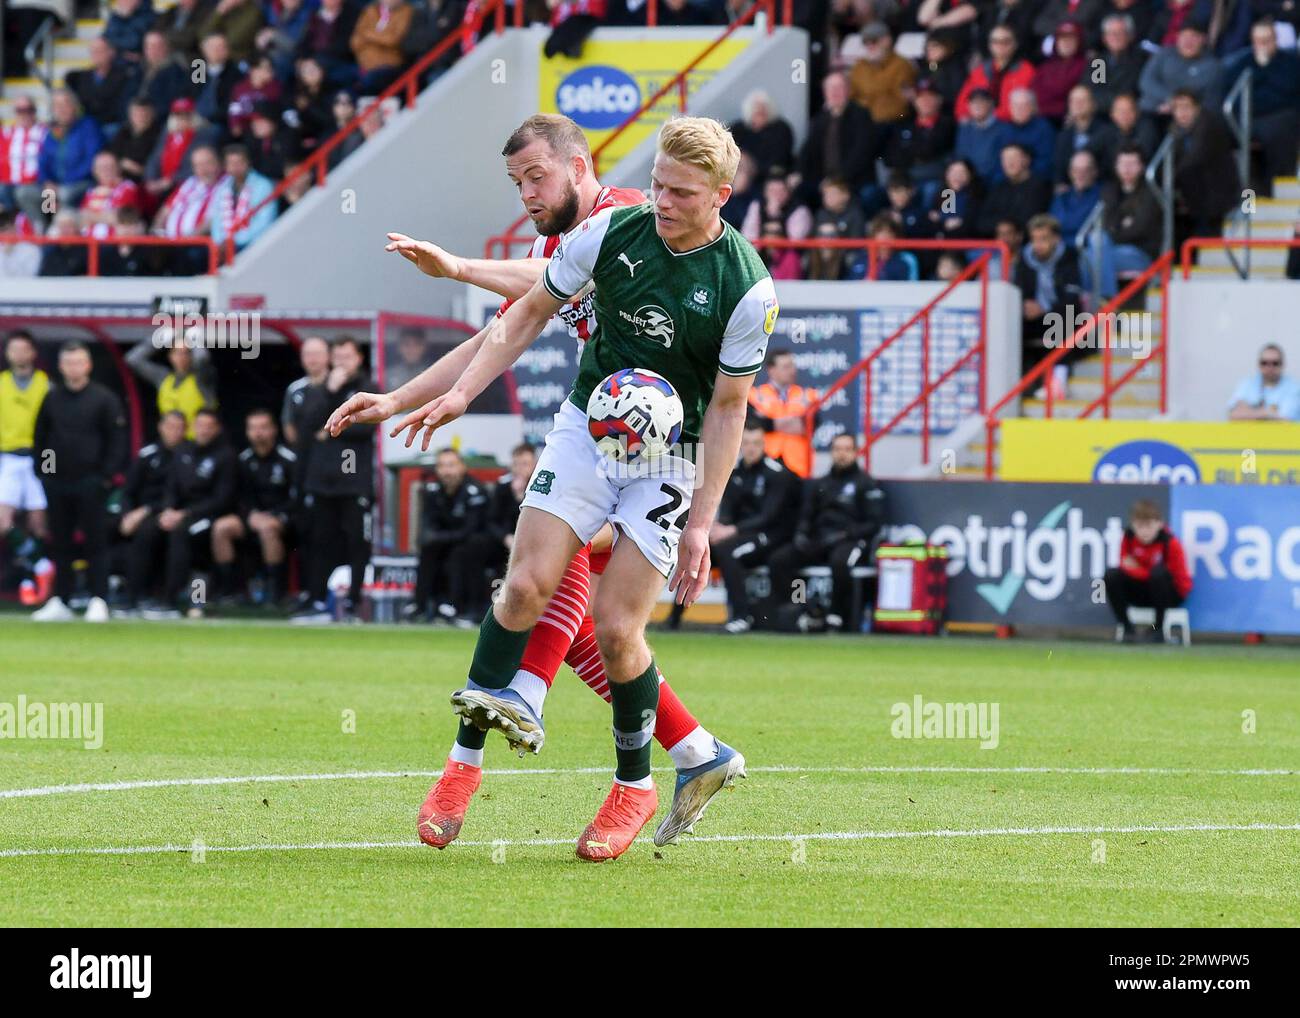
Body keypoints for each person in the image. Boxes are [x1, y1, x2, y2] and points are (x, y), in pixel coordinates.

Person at [327, 115, 768, 860]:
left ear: (578, 167)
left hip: (670, 455)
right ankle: (486, 751)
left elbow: (729, 405)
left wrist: (702, 522)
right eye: (517, 183)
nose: (527, 195)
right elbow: (512, 321)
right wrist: (410, 398)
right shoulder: (600, 235)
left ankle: (637, 766)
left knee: (614, 628)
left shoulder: (692, 258)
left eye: (536, 178)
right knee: (528, 583)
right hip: (593, 428)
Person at [31, 342, 127, 623]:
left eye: (78, 362)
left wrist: (104, 476)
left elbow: (116, 440)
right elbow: (42, 438)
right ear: (61, 367)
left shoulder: (104, 399)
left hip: (91, 482)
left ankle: (99, 600)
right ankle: (62, 599)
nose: (73, 368)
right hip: (58, 483)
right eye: (68, 363)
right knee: (60, 543)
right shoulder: (52, 398)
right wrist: (46, 472)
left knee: (95, 542)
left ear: (88, 365)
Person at [764, 432, 885, 632]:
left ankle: (836, 615)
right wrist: (801, 533)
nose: (842, 454)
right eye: (837, 449)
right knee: (780, 560)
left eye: (847, 449)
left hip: (851, 540)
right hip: (821, 539)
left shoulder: (866, 483)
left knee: (841, 562)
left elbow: (874, 523)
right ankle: (805, 607)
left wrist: (847, 534)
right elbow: (807, 515)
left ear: (856, 453)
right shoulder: (821, 484)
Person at [291, 336, 376, 623]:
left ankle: (353, 603)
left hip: (354, 483)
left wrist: (326, 431)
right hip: (321, 482)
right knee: (320, 541)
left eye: (347, 358)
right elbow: (305, 427)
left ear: (358, 358)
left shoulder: (369, 387)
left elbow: (364, 428)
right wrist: (329, 390)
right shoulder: (322, 388)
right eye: (337, 358)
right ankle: (317, 600)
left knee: (357, 542)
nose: (341, 364)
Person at [132, 406, 236, 618]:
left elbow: (222, 499)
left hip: (209, 516)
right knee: (147, 530)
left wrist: (184, 513)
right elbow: (171, 487)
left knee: (182, 533)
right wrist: (168, 509)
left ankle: (171, 601)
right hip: (179, 513)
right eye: (200, 425)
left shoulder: (226, 456)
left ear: (217, 429)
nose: (203, 431)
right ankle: (137, 597)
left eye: (209, 426)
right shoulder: (183, 451)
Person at [710, 423, 801, 634]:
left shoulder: (778, 474)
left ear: (764, 445)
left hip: (770, 536)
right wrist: (719, 527)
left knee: (728, 551)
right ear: (740, 445)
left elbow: (768, 516)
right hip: (740, 535)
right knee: (699, 546)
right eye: (747, 443)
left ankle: (742, 616)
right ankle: (674, 618)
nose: (751, 448)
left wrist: (731, 530)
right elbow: (727, 510)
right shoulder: (734, 474)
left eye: (756, 443)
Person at [211, 408, 298, 605]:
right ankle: (230, 591)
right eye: (253, 428)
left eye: (263, 427)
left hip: (281, 519)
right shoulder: (242, 460)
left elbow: (297, 499)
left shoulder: (288, 459)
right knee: (221, 528)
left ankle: (274, 593)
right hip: (251, 517)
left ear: (274, 430)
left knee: (267, 529)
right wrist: (250, 515)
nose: (258, 433)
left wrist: (274, 515)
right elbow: (235, 496)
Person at [116, 410, 187, 614]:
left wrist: (148, 511)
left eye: (178, 428)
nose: (173, 432)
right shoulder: (147, 454)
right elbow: (128, 491)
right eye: (169, 426)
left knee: (149, 532)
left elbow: (178, 493)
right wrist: (127, 514)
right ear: (160, 427)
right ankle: (105, 594)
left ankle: (167, 600)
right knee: (104, 526)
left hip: (172, 513)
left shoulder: (188, 455)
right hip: (142, 512)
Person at [410, 447, 490, 624]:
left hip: (474, 544)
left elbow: (471, 530)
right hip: (447, 541)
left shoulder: (475, 490)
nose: (447, 471)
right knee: (428, 548)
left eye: (451, 465)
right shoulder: (431, 491)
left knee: (460, 551)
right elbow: (428, 525)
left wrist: (439, 538)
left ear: (462, 467)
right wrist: (433, 538)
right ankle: (419, 606)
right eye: (442, 466)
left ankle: (455, 606)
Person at [1221, 19, 1300, 197]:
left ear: (1275, 40)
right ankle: (1249, 198)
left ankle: (1278, 188)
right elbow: (1233, 95)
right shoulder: (1243, 63)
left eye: (1267, 40)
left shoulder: (1291, 63)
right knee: (1221, 134)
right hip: (1248, 119)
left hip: (1280, 119)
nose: (1262, 45)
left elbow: (1284, 94)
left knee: (1277, 131)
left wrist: (1261, 74)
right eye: (1258, 40)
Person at [1105, 498, 1192, 642]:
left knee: (1159, 574)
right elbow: (1124, 567)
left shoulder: (1170, 543)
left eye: (1149, 526)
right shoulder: (1128, 538)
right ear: (1133, 525)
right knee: (1111, 575)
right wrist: (1147, 574)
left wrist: (1141, 570)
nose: (1144, 531)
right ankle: (1128, 629)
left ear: (1159, 524)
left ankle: (1156, 630)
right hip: (1141, 591)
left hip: (1168, 596)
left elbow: (1181, 582)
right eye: (1140, 526)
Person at [1015, 213, 1085, 388]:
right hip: (1032, 317)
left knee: (1064, 321)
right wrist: (1023, 305)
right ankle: (1020, 384)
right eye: (1034, 239)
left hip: (1060, 315)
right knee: (1008, 324)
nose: (1038, 245)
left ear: (1056, 239)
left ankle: (1058, 382)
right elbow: (1017, 291)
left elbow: (1072, 299)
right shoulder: (1024, 258)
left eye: (1043, 239)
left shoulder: (1069, 257)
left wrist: (1044, 309)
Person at [1169, 88, 1240, 248]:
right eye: (1177, 108)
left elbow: (1195, 159)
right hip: (1198, 196)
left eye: (1186, 107)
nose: (1181, 112)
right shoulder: (1175, 130)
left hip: (1218, 195)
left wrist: (1171, 178)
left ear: (1197, 108)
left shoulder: (1208, 125)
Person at [0, 331, 50, 550]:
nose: (19, 355)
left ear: (33, 353)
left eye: (24, 350)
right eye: (14, 350)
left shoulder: (46, 385)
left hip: (39, 457)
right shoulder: (1, 383)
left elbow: (55, 430)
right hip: (8, 457)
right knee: (3, 522)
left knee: (39, 523)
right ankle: (39, 566)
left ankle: (36, 579)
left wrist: (51, 470)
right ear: (7, 354)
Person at [1093, 144, 1161, 298]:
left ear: (1142, 167)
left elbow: (1140, 230)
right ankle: (1106, 300)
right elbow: (1108, 224)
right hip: (1112, 250)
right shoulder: (1110, 190)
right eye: (1123, 164)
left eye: (1132, 164)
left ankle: (1101, 301)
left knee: (1094, 255)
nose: (1127, 169)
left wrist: (1116, 230)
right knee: (1095, 246)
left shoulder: (1151, 193)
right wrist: (1123, 225)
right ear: (1116, 167)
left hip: (1142, 254)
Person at [126, 328, 217, 437]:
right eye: (177, 353)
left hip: (197, 443)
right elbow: (132, 359)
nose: (182, 357)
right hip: (171, 442)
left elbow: (202, 359)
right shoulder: (163, 378)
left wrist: (194, 341)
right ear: (170, 356)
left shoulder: (202, 378)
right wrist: (157, 339)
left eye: (186, 353)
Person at [747, 348, 819, 478]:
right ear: (771, 370)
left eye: (792, 366)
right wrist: (793, 422)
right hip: (765, 464)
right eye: (786, 367)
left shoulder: (807, 395)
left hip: (799, 466)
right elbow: (754, 425)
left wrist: (771, 422)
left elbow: (812, 424)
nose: (792, 371)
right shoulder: (754, 395)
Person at [1138, 18, 1222, 114]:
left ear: (1204, 39)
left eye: (1194, 36)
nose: (1188, 41)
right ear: (1178, 37)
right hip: (1156, 109)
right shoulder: (1165, 53)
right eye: (1184, 36)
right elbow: (1146, 81)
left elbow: (1211, 103)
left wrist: (1180, 107)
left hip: (1192, 118)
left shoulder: (1213, 66)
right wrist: (1170, 98)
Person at [955, 25, 1035, 121]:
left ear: (1015, 44)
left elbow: (1020, 109)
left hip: (1011, 126)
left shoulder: (1026, 70)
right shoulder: (980, 70)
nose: (1000, 46)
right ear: (990, 45)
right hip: (980, 125)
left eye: (1006, 42)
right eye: (995, 42)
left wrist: (988, 118)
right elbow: (961, 107)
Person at [209, 143, 278, 253]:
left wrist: (234, 241)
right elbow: (216, 219)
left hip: (252, 244)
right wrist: (220, 242)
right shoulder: (222, 187)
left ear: (248, 163)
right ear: (225, 166)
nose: (236, 167)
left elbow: (265, 221)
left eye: (240, 162)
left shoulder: (263, 186)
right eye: (231, 163)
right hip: (224, 245)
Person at [482, 441, 536, 580]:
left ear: (535, 464)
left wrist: (520, 498)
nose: (520, 469)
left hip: (532, 540)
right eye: (516, 464)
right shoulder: (503, 486)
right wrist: (505, 537)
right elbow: (492, 520)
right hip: (505, 539)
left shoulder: (540, 487)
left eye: (525, 464)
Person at [849, 21, 917, 124]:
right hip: (863, 123)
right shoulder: (859, 66)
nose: (869, 45)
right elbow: (851, 96)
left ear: (887, 40)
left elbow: (901, 103)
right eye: (865, 42)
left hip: (892, 122)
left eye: (874, 41)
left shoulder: (902, 65)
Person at [977, 143, 1052, 235]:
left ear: (1026, 160)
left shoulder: (1039, 186)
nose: (1009, 163)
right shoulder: (998, 187)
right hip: (996, 242)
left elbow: (1029, 221)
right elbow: (982, 223)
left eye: (1014, 158)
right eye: (1005, 159)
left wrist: (1000, 221)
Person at [1089, 12, 1149, 114]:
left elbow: (1130, 91)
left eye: (1120, 33)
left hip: (1128, 114)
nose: (1115, 37)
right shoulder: (1099, 61)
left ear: (1130, 36)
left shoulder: (1140, 59)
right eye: (1111, 33)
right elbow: (1095, 90)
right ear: (1104, 38)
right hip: (1100, 114)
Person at [1227, 344, 1300, 421]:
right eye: (1264, 363)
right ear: (1259, 364)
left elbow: (1285, 419)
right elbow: (1234, 415)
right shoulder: (1247, 384)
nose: (1269, 367)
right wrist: (1267, 413)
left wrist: (1250, 412)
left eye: (1275, 363)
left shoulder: (1293, 388)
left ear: (1282, 364)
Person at [281, 334, 331, 446]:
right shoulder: (294, 388)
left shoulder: (338, 385)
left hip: (332, 451)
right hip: (303, 451)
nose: (312, 359)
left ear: (328, 356)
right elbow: (288, 423)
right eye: (308, 354)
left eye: (317, 354)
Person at [1048, 149, 1101, 241]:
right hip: (1059, 247)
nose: (1080, 175)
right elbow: (1052, 224)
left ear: (1095, 171)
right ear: (1070, 172)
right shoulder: (1062, 196)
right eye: (1076, 170)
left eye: (1086, 170)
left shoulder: (1103, 195)